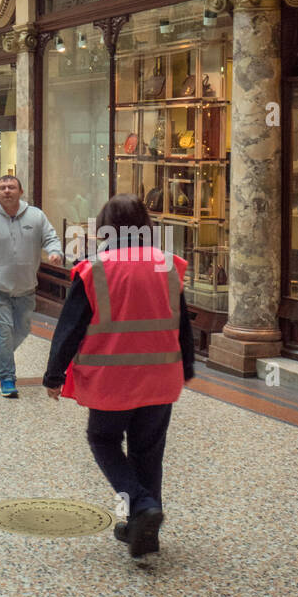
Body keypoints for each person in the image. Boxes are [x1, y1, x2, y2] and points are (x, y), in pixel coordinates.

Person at [43, 194, 195, 559]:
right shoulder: (169, 265)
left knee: (103, 439)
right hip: (161, 376)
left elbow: (70, 328)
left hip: (112, 378)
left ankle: (141, 505)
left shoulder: (94, 268)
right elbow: (182, 323)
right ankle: (147, 533)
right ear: (145, 225)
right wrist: (187, 366)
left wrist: (53, 375)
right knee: (148, 452)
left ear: (104, 226)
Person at [0, 174, 62, 397]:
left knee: (23, 329)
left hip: (26, 288)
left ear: (21, 191)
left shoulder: (36, 216)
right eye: (3, 188)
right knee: (5, 331)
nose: (7, 190)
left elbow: (51, 237)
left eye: (11, 187)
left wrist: (55, 252)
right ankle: (7, 378)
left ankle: (2, 354)